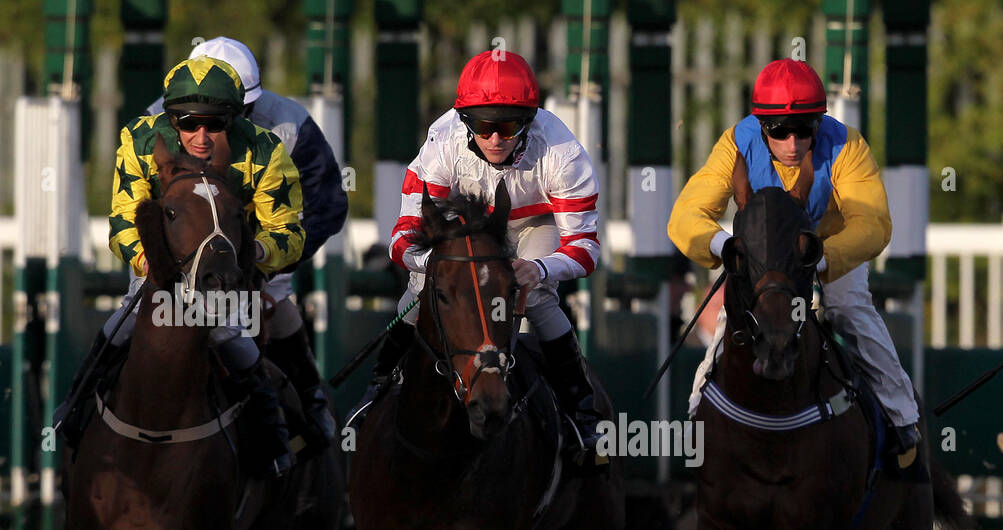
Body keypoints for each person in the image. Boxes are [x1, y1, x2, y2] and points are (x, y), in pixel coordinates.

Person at [54, 55, 306, 477]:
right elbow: (122, 221)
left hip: (225, 280)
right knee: (121, 326)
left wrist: (251, 256)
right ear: (171, 119)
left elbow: (288, 231)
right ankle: (73, 410)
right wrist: (155, 269)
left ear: (236, 117)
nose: (202, 136)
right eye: (189, 123)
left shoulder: (265, 150)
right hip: (159, 276)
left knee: (235, 342)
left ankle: (274, 439)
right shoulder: (138, 141)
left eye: (216, 123)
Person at [353, 50, 604, 462]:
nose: (495, 139)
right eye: (484, 126)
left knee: (538, 298)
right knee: (420, 293)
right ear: (464, 121)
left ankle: (581, 412)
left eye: (507, 126)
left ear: (528, 121)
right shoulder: (441, 143)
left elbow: (585, 248)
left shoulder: (564, 153)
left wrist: (539, 268)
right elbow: (403, 239)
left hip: (532, 226)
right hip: (464, 225)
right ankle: (376, 388)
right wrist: (432, 267)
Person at [666, 57, 920, 456]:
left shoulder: (847, 145)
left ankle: (903, 417)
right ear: (761, 125)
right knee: (730, 322)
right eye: (779, 132)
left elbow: (873, 224)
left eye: (804, 131)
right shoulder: (735, 143)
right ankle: (698, 413)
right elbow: (685, 217)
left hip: (828, 248)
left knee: (848, 308)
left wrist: (820, 259)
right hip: (765, 259)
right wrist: (724, 246)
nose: (793, 144)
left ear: (819, 123)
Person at [146, 37, 349, 452]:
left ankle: (310, 398)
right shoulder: (155, 122)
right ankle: (81, 403)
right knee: (127, 322)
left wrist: (264, 258)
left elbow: (327, 204)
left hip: (259, 251)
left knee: (277, 303)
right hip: (181, 258)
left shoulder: (291, 123)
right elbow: (141, 207)